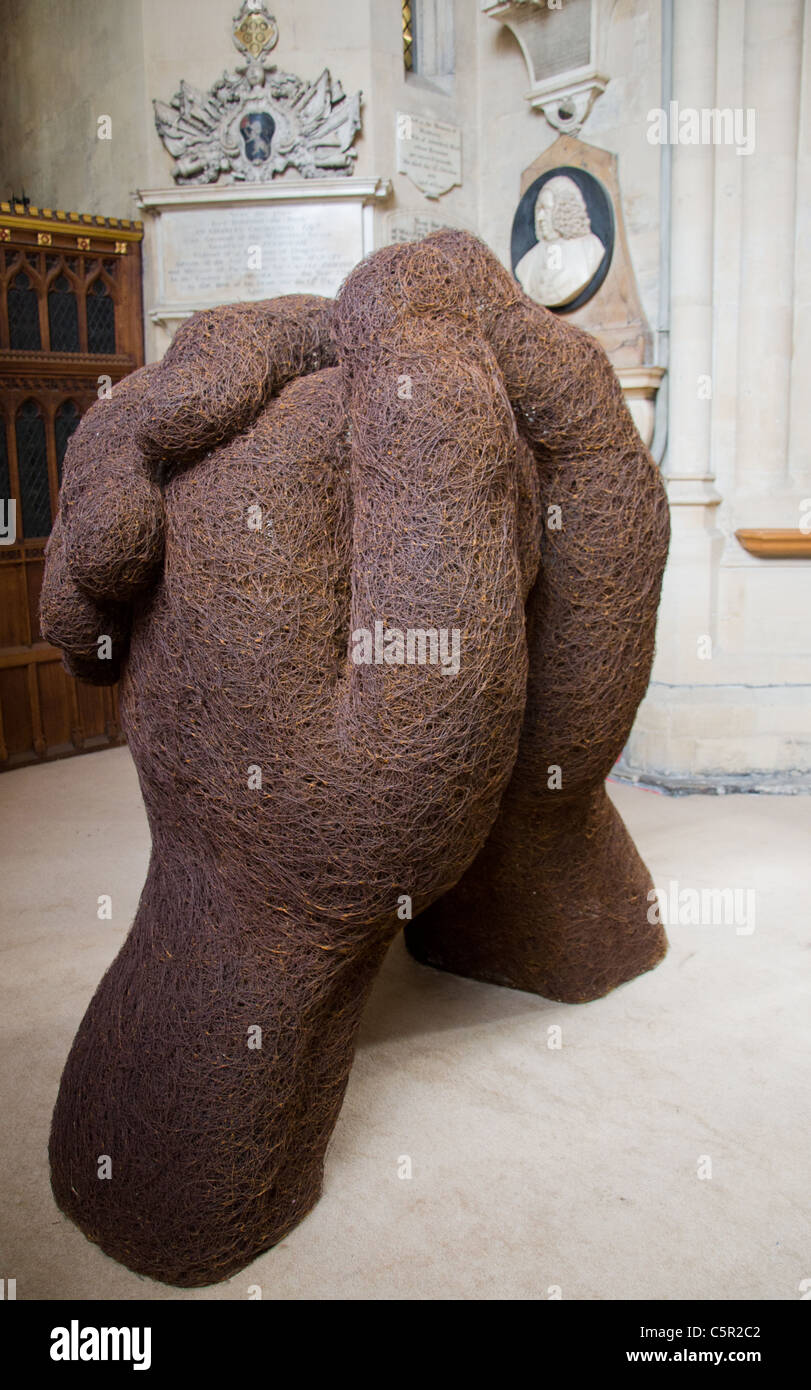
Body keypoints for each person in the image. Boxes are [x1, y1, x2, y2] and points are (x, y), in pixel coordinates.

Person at [515, 174, 605, 308]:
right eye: (538, 210)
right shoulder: (527, 263)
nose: (539, 218)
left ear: (565, 209)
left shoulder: (591, 249)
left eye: (546, 209)